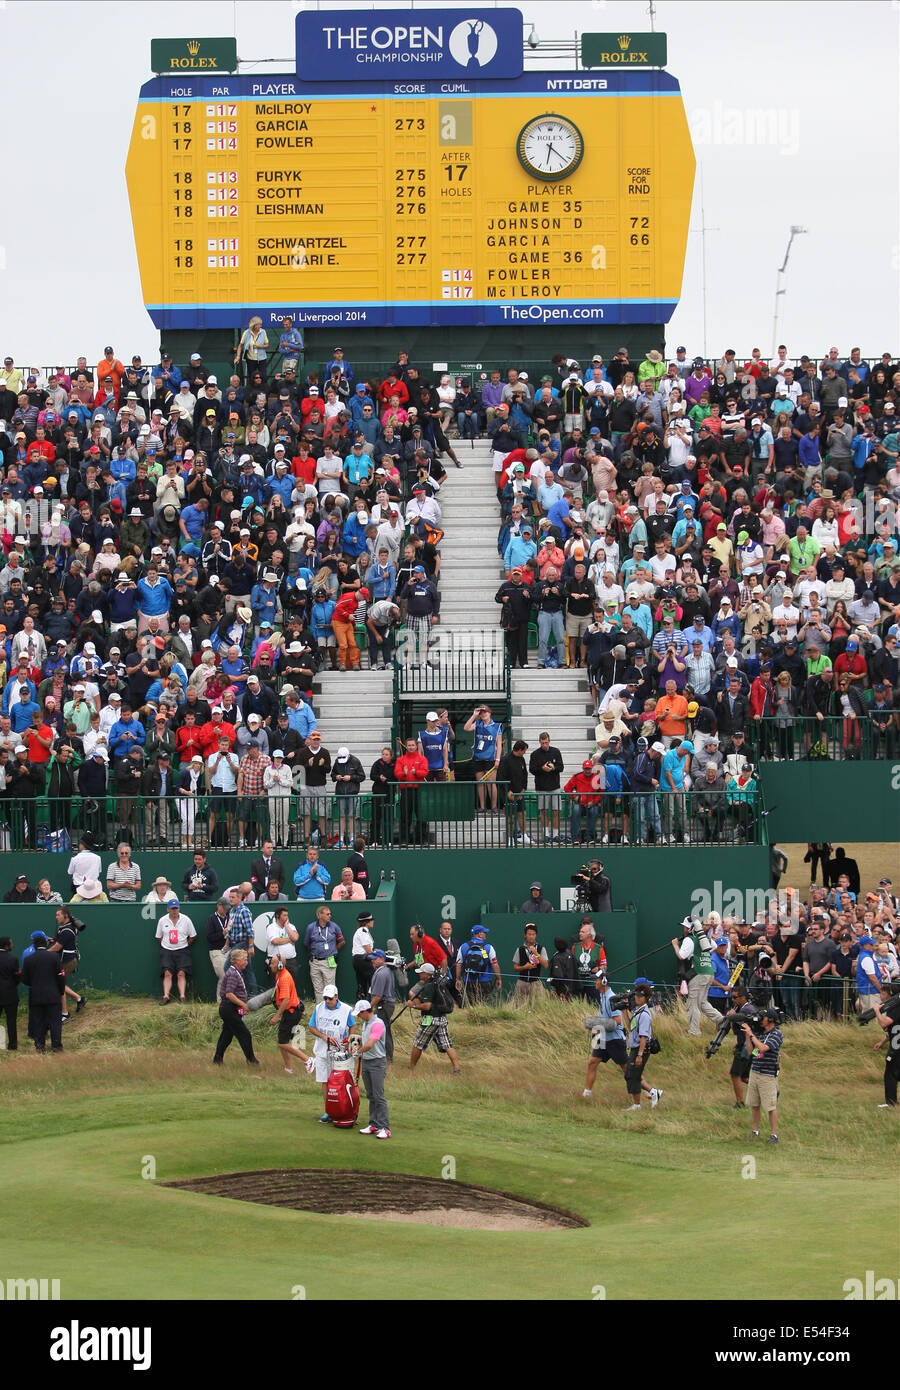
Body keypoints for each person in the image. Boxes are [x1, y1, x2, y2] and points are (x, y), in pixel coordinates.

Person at [583, 971, 656, 1104]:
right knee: (592, 1062)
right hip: (604, 1039)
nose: (595, 982)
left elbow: (616, 1021)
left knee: (628, 1070)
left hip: (615, 1041)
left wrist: (598, 1025)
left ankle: (650, 1091)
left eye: (597, 980)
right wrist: (598, 1029)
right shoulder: (602, 996)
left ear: (604, 982)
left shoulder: (611, 997)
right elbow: (606, 1019)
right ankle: (586, 1095)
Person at [307, 985, 356, 1121]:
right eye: (325, 998)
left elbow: (352, 1025)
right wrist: (323, 1036)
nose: (327, 1001)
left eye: (330, 998)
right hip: (322, 1050)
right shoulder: (319, 1008)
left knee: (340, 1082)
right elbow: (311, 1026)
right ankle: (328, 1110)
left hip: (340, 1052)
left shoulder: (346, 1010)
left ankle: (342, 1109)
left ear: (336, 996)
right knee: (325, 1081)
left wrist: (350, 1040)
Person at [672, 916, 722, 1037]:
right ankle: (721, 1020)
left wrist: (675, 945)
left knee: (693, 1003)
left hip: (698, 973)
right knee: (702, 1002)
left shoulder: (689, 940)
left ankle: (694, 1032)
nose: (684, 929)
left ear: (689, 928)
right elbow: (714, 946)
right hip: (709, 972)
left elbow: (682, 956)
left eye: (685, 927)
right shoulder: (705, 939)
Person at [407, 963, 461, 1074]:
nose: (420, 974)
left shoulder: (428, 986)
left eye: (421, 972)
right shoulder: (438, 983)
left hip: (430, 1019)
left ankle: (411, 1068)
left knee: (418, 1043)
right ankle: (456, 1069)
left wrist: (413, 1005)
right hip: (441, 1018)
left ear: (427, 975)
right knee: (447, 1044)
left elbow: (427, 1006)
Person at [212, 950, 260, 1067]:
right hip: (229, 1009)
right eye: (244, 959)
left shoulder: (235, 972)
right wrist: (243, 1004)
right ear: (237, 961)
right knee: (245, 1034)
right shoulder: (233, 974)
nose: (246, 962)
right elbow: (229, 994)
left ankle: (217, 1059)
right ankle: (251, 1060)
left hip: (229, 1008)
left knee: (226, 1036)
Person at [716, 983, 759, 1109]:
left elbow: (739, 1028)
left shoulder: (746, 1010)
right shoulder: (746, 1008)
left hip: (747, 1048)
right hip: (752, 1048)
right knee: (745, 1076)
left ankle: (740, 1103)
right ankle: (770, 1089)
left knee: (735, 1074)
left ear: (743, 997)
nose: (733, 1000)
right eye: (732, 997)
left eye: (735, 997)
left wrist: (731, 1017)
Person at [743, 1008, 783, 1143]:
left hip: (768, 1075)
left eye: (764, 1017)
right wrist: (747, 1036)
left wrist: (752, 1035)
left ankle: (774, 1135)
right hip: (755, 1072)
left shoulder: (776, 1034)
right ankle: (755, 1131)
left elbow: (763, 1048)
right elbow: (752, 1052)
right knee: (754, 1104)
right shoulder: (759, 1034)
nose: (761, 1019)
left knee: (770, 1107)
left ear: (770, 1020)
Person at [21, 934, 65, 1054]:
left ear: (34, 945)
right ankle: (56, 1047)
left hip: (36, 996)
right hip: (53, 995)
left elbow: (24, 979)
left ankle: (40, 1047)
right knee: (55, 1022)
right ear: (46, 944)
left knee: (38, 1022)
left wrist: (34, 984)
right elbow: (61, 976)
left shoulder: (29, 959)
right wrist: (60, 991)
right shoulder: (54, 957)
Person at [354, 999, 391, 1138]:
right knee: (370, 1095)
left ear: (365, 1011)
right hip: (367, 1062)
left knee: (378, 1095)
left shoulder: (377, 1023)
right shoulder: (365, 1023)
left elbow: (369, 1044)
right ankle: (374, 1124)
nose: (358, 1016)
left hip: (377, 1063)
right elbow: (364, 1043)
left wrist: (358, 1052)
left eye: (359, 1013)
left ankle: (385, 1128)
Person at [267, 954, 308, 1075]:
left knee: (282, 1042)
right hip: (290, 1012)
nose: (270, 965)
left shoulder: (284, 977)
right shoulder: (279, 975)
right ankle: (288, 1068)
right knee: (281, 1040)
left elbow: (285, 1000)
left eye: (273, 963)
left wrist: (276, 1016)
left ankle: (308, 1060)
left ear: (280, 965)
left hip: (291, 1012)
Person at [155, 897, 196, 1004]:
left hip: (182, 950)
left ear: (179, 908)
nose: (174, 910)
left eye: (176, 908)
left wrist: (184, 944)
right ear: (168, 909)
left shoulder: (186, 919)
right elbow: (158, 937)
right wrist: (167, 944)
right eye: (172, 908)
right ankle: (166, 996)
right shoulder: (162, 920)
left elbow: (192, 936)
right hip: (167, 950)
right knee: (167, 973)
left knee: (181, 973)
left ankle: (182, 997)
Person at [624, 984, 658, 1111]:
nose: (637, 998)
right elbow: (630, 1027)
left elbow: (643, 1036)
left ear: (646, 998)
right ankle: (654, 1092)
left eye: (640, 996)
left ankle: (637, 1104)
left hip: (640, 1049)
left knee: (634, 1075)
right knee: (630, 1074)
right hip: (635, 1047)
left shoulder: (644, 1014)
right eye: (636, 995)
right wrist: (624, 1012)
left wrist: (639, 1054)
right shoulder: (636, 1012)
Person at [303, 902, 344, 1002]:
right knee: (318, 987)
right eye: (327, 914)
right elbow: (306, 943)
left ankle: (332, 1007)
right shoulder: (311, 927)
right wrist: (316, 951)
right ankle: (320, 1009)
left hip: (329, 960)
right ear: (319, 915)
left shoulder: (334, 926)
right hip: (315, 961)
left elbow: (342, 941)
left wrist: (332, 951)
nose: (330, 916)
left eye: (330, 914)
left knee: (330, 987)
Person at [456, 925, 500, 1005]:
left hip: (468, 982)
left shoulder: (463, 946)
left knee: (469, 1006)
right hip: (485, 982)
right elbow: (495, 964)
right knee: (483, 1006)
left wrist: (458, 979)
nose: (485, 934)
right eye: (484, 932)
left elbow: (458, 965)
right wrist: (498, 978)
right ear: (479, 934)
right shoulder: (488, 947)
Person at [872, 987, 900, 1108]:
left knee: (890, 1074)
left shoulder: (895, 1008)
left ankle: (891, 1103)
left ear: (890, 995)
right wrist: (883, 1042)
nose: (881, 996)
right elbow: (894, 1028)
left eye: (883, 993)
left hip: (896, 1049)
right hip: (895, 1043)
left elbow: (884, 1023)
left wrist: (877, 1010)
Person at [368, 948, 396, 1063]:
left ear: (381, 959)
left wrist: (368, 1008)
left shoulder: (381, 974)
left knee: (384, 1031)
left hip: (383, 1005)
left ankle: (388, 1057)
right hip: (386, 1005)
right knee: (384, 1030)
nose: (372, 961)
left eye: (374, 959)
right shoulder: (385, 971)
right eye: (372, 959)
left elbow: (377, 996)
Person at [512, 923, 548, 1003]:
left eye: (533, 934)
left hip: (536, 982)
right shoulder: (520, 949)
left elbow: (545, 965)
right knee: (519, 1006)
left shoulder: (541, 948)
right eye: (529, 934)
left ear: (536, 935)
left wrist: (536, 953)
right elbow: (515, 968)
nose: (531, 936)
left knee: (538, 1006)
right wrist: (524, 967)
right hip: (522, 982)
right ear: (525, 935)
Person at [0, 936, 21, 1051]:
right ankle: (12, 1046)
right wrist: (11, 986)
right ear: (6, 946)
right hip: (10, 995)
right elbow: (17, 977)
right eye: (11, 943)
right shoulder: (13, 959)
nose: (12, 945)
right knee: (11, 1021)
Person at [351, 909, 375, 999]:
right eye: (371, 920)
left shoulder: (362, 931)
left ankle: (362, 1003)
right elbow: (369, 950)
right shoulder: (363, 931)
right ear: (366, 922)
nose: (373, 921)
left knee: (362, 984)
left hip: (358, 960)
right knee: (373, 982)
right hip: (363, 960)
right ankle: (371, 1002)